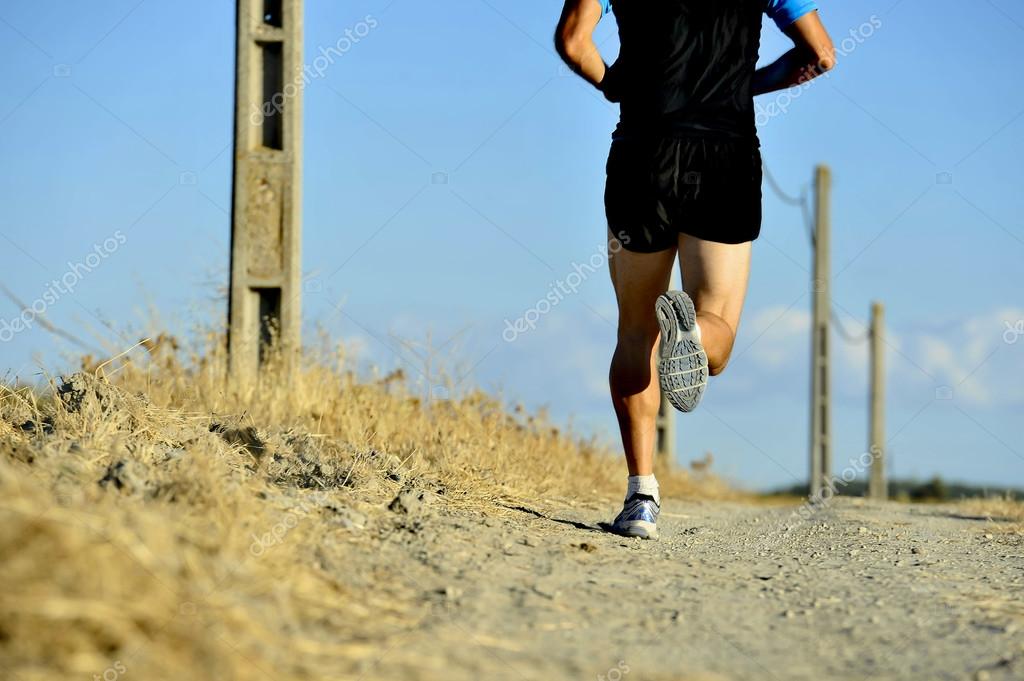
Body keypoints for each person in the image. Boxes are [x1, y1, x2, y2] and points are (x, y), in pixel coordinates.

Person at [555, 0, 835, 539]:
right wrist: (742, 86)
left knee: (636, 330)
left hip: (642, 148)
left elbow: (573, 40)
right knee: (719, 333)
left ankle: (641, 497)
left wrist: (615, 86)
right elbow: (820, 55)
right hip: (725, 152)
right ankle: (695, 335)